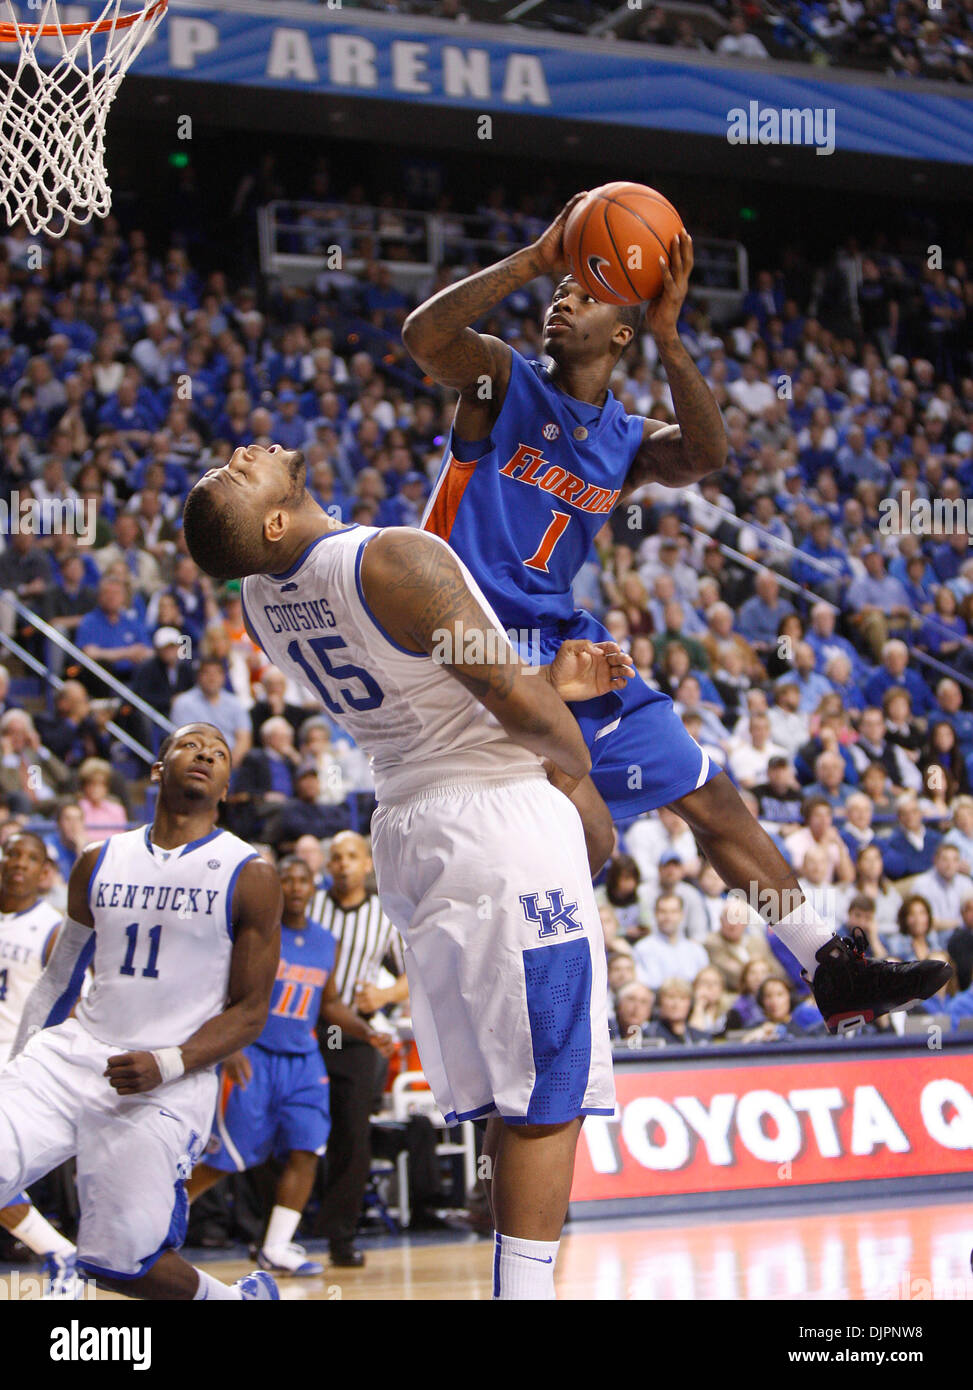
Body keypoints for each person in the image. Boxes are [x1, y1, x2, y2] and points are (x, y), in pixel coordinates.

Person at [403, 195, 946, 1033]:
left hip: (564, 640)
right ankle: (491, 989)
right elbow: (424, 338)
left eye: (587, 292)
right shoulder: (502, 381)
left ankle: (829, 966)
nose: (564, 298)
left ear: (621, 332)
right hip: (472, 641)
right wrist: (535, 259)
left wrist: (669, 335)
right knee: (585, 839)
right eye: (562, 289)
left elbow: (706, 454)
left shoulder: (625, 438)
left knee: (710, 795)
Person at [183, 443, 633, 1301]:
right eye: (238, 473)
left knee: (512, 1086)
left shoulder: (261, 600)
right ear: (273, 522)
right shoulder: (392, 556)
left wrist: (543, 691)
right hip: (495, 820)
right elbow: (509, 702)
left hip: (411, 822)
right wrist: (568, 752)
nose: (243, 451)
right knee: (551, 1085)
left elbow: (426, 695)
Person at [0, 722, 283, 1300]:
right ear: (158, 769)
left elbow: (252, 1011)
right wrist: (17, 1068)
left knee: (118, 1265)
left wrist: (169, 1063)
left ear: (226, 787)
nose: (205, 754)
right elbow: (58, 981)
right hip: (73, 1056)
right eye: (190, 745)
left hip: (167, 1079)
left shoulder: (250, 874)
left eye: (219, 753)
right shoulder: (97, 859)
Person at [187, 856, 392, 1276]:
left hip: (304, 1061)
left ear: (313, 888)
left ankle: (276, 1247)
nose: (296, 887)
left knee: (307, 1147)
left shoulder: (325, 941)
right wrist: (229, 1046)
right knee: (229, 1157)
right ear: (276, 887)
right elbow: (220, 993)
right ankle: (158, 1221)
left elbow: (329, 1003)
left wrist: (366, 1031)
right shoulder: (255, 934)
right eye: (288, 879)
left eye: (303, 880)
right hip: (255, 1055)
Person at [305, 830, 406, 1267]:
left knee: (352, 1134)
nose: (342, 863)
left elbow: (413, 974)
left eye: (351, 856)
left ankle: (340, 1237)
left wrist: (383, 996)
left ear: (367, 865)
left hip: (356, 1036)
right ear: (328, 866)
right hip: (308, 1032)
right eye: (335, 857)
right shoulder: (310, 906)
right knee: (295, 1129)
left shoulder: (385, 915)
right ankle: (276, 1230)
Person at [0, 833, 79, 1292]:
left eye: (30, 858)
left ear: (44, 872)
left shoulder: (52, 929)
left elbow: (78, 1003)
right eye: (12, 854)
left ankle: (59, 1252)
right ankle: (60, 1253)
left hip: (15, 1068)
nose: (19, 864)